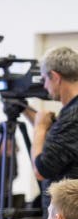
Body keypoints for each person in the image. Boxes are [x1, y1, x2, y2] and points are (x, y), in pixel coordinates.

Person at [30, 47, 78, 207]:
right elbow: (59, 144)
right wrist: (23, 108)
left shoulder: (72, 116)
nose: (44, 87)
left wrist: (39, 128)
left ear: (56, 77)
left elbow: (42, 170)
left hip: (69, 216)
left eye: (45, 79)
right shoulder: (72, 113)